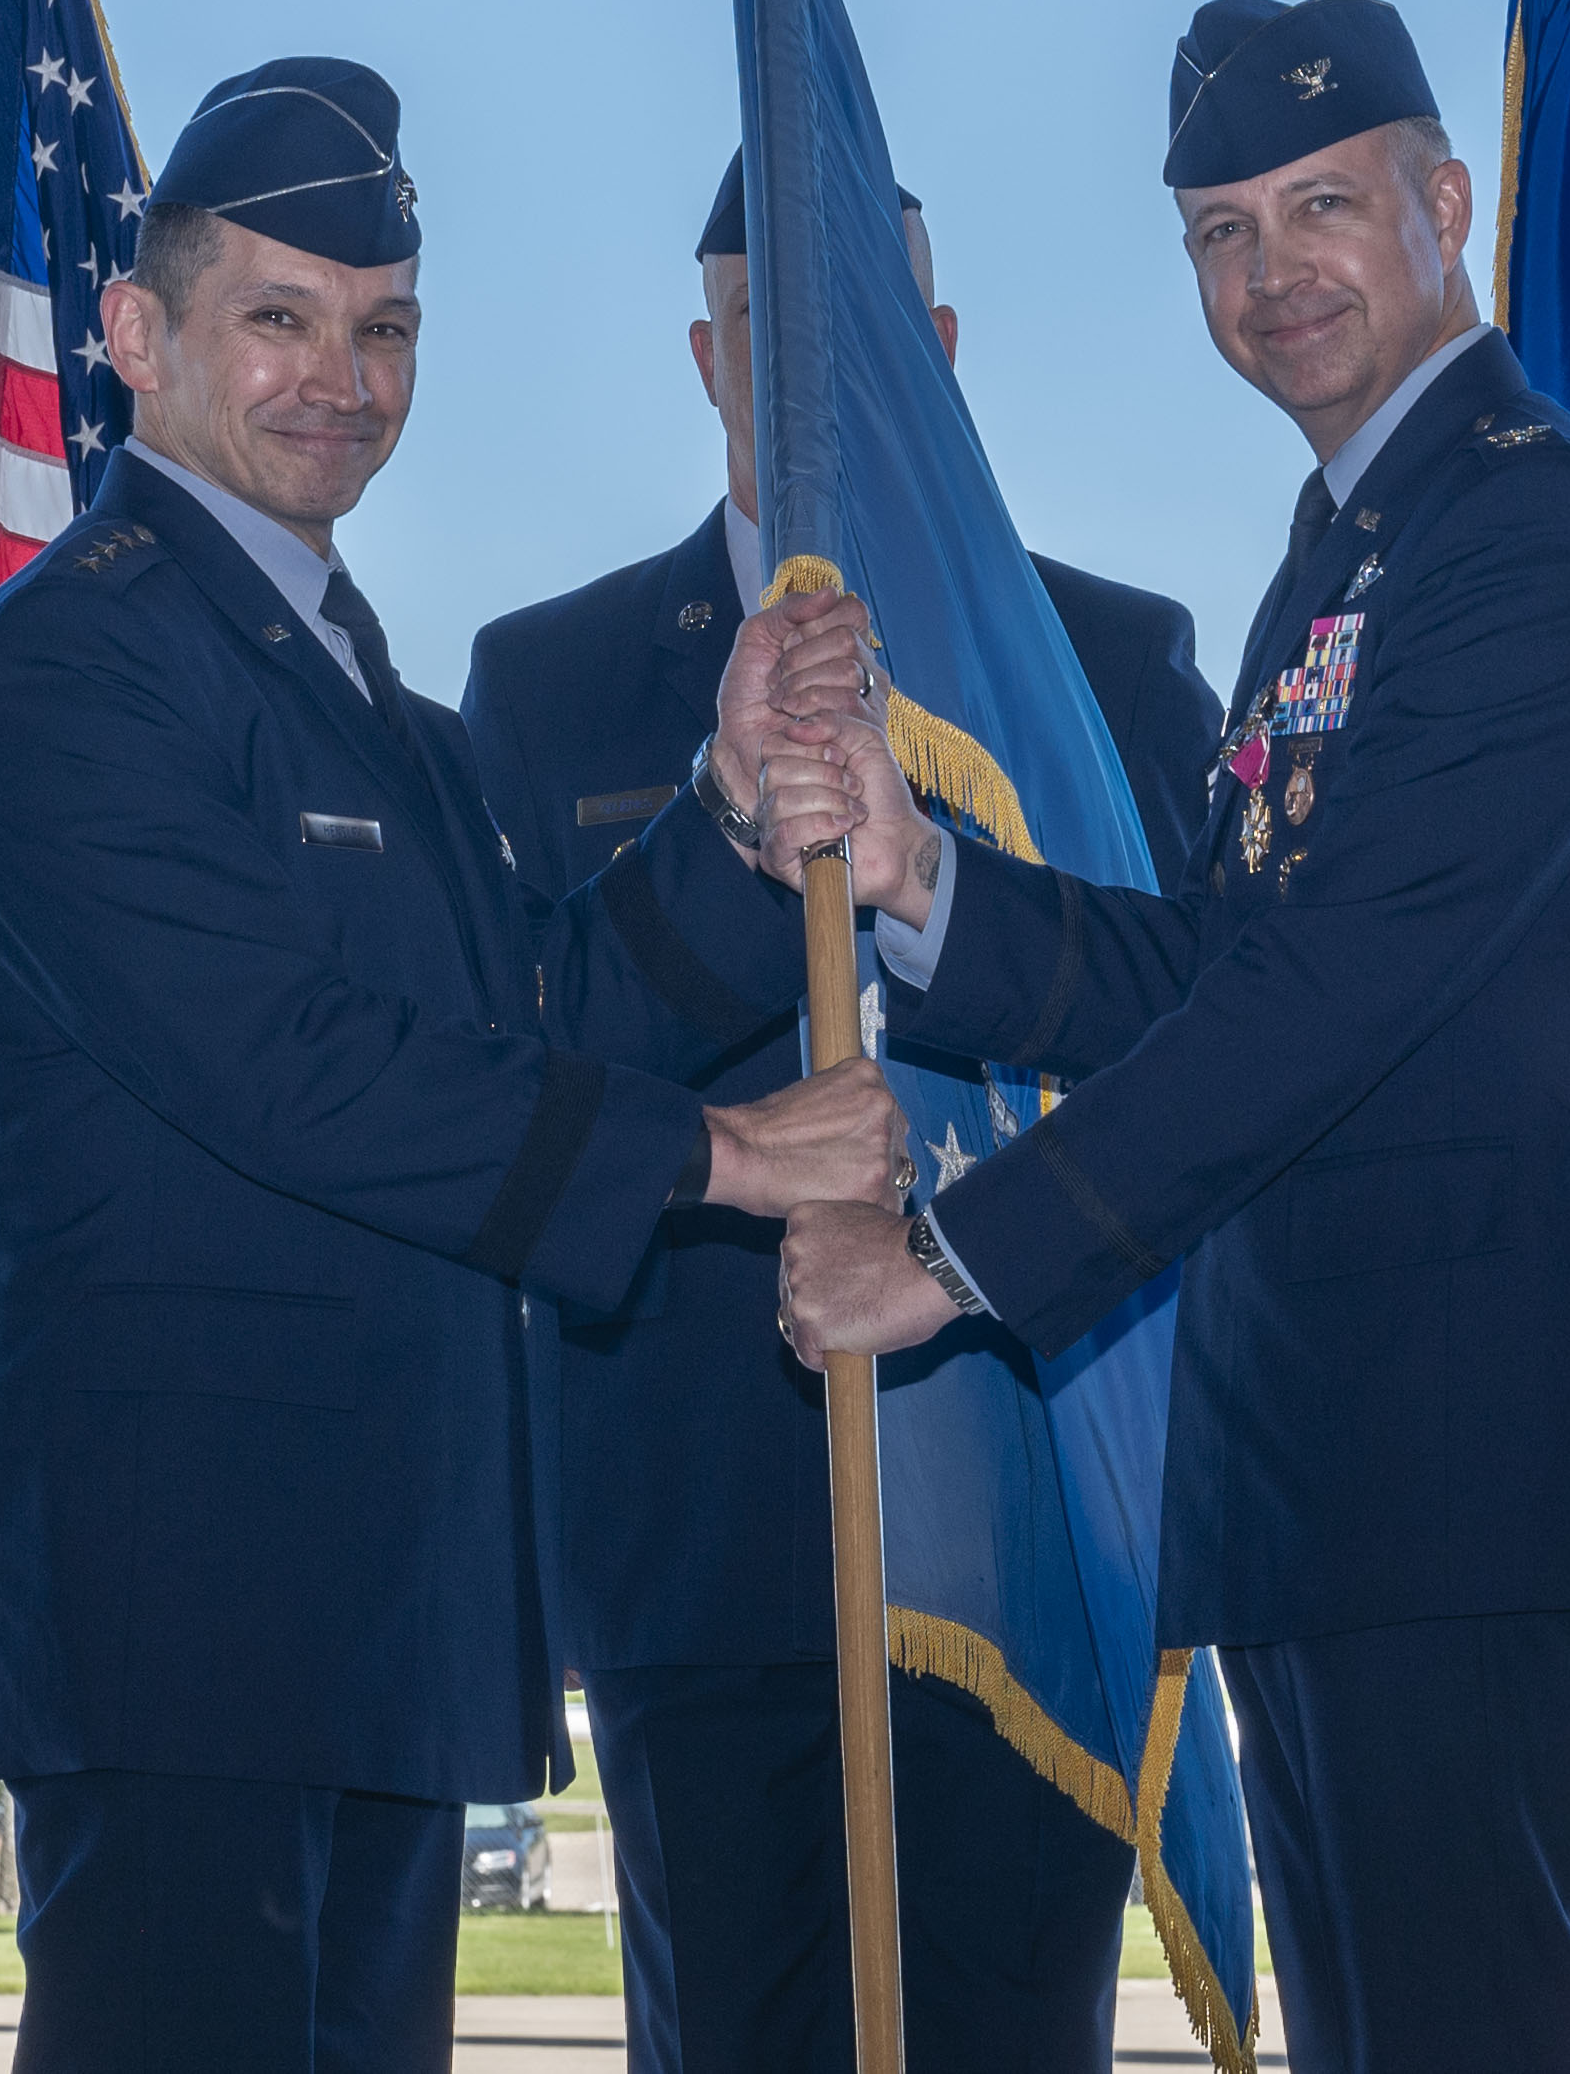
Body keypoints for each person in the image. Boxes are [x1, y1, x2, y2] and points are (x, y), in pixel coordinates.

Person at [0, 57, 907, 2074]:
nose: (341, 379)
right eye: (278, 317)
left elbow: (531, 1005)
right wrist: (724, 1154)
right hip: (180, 1606)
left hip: (372, 1596)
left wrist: (723, 807)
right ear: (136, 337)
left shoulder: (377, 706)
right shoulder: (76, 664)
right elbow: (292, 1068)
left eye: (385, 329)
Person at [771, 0, 1570, 2074]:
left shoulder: (1532, 535)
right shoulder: (1358, 544)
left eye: (1321, 206)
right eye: (1222, 230)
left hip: (1472, 1468)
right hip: (1337, 1461)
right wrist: (928, 879)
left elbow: (1339, 990)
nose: (1272, 270)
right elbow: (1232, 960)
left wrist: (945, 1257)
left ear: (1444, 203)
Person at [459, 156, 1222, 2074]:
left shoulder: (1110, 671)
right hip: (701, 1538)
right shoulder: (546, 683)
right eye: (767, 336)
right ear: (704, 355)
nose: (808, 384)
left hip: (1038, 1519)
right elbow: (515, 1065)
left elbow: (1206, 1041)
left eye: (863, 338)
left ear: (937, 351)